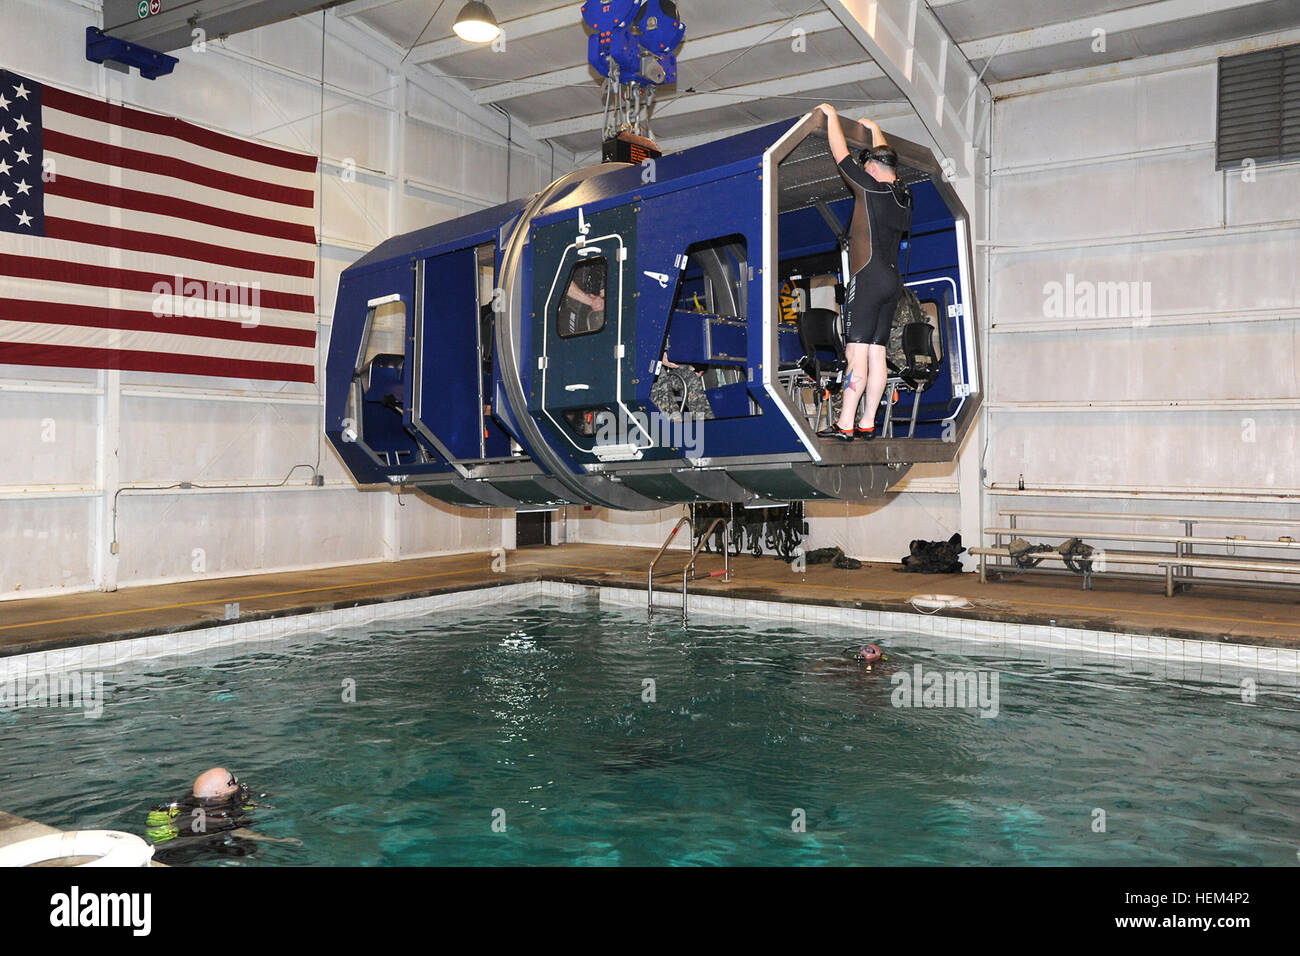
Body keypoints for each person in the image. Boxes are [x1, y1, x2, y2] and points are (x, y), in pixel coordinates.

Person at [815, 103, 913, 442]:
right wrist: (873, 130)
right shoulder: (902, 195)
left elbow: (841, 156)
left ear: (871, 169)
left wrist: (830, 117)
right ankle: (869, 421)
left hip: (868, 279)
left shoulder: (870, 188)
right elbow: (889, 160)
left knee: (855, 353)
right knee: (877, 354)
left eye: (868, 164)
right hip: (891, 282)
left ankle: (845, 423)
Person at [145, 767, 298, 864]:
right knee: (250, 850)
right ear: (218, 794)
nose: (236, 782)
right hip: (203, 842)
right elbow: (236, 830)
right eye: (231, 782)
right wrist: (278, 840)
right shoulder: (219, 812)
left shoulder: (183, 802)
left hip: (174, 844)